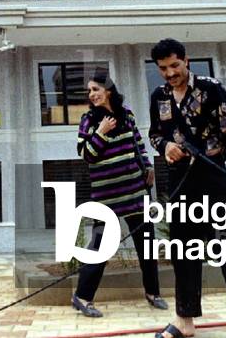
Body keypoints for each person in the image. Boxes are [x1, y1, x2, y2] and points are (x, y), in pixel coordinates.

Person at [147, 38, 226, 338]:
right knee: (183, 251)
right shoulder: (159, 96)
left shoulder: (211, 89)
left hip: (213, 179)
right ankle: (184, 321)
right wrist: (166, 147)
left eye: (175, 65)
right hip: (180, 181)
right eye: (163, 68)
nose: (170, 73)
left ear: (186, 60)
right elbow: (155, 134)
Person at [72, 70, 168, 318]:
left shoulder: (127, 115)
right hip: (107, 197)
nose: (92, 94)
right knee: (100, 248)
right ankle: (82, 297)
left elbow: (138, 145)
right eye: (89, 91)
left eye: (96, 89)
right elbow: (86, 155)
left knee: (146, 244)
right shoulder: (88, 121)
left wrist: (148, 166)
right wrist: (101, 132)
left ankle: (153, 293)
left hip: (135, 191)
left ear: (109, 90)